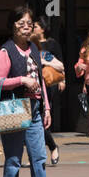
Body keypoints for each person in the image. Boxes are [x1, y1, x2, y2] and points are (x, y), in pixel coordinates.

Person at [0, 6, 68, 177]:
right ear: (12, 26)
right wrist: (21, 80)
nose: (26, 28)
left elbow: (41, 80)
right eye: (21, 24)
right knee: (14, 160)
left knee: (38, 158)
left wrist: (47, 107)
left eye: (29, 25)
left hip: (34, 109)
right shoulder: (6, 51)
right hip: (14, 109)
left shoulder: (34, 49)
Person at [30, 18, 65, 165]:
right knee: (31, 126)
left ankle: (52, 146)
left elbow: (61, 65)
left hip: (44, 90)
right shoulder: (23, 54)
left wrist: (43, 62)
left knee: (42, 122)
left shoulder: (45, 52)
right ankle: (37, 155)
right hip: (27, 94)